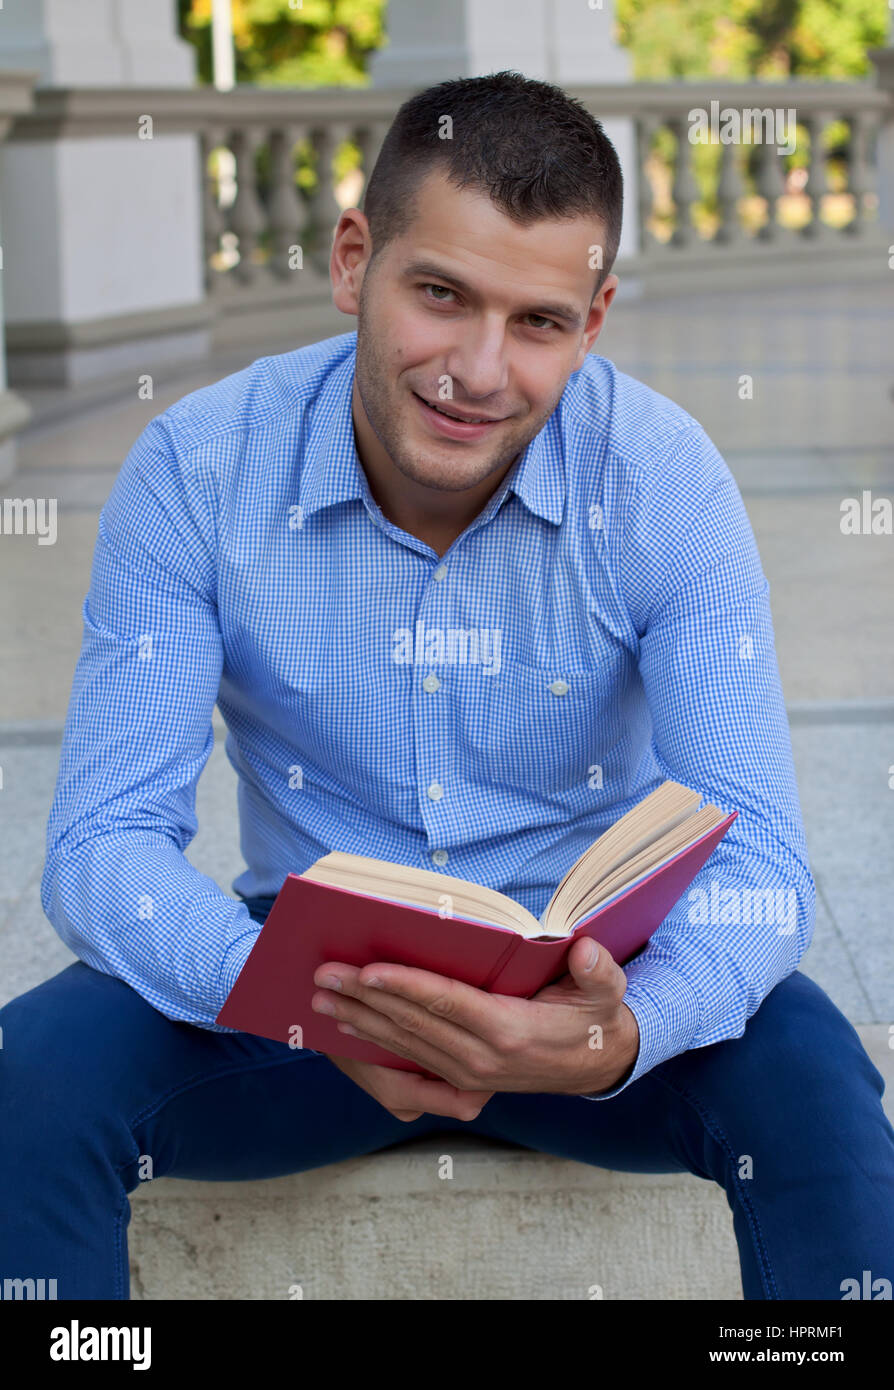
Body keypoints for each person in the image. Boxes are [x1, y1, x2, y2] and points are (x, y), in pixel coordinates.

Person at [2, 71, 892, 1301]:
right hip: (302, 1020)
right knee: (32, 1076)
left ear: (594, 320)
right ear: (353, 259)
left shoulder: (664, 481)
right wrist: (296, 1002)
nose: (478, 370)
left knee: (814, 1082)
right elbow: (103, 846)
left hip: (582, 1019)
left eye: (538, 322)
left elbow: (765, 869)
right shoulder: (199, 472)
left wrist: (617, 1029)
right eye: (440, 295)